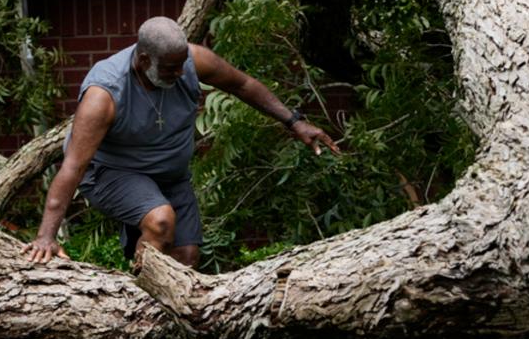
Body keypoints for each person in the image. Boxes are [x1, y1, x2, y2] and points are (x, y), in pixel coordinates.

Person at [23, 16, 339, 268]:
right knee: (161, 221)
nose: (180, 72)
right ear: (144, 60)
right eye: (171, 67)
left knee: (186, 259)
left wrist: (294, 121)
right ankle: (135, 306)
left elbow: (243, 84)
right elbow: (73, 167)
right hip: (111, 173)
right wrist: (46, 236)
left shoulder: (191, 61)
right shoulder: (104, 94)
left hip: (171, 175)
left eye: (182, 63)